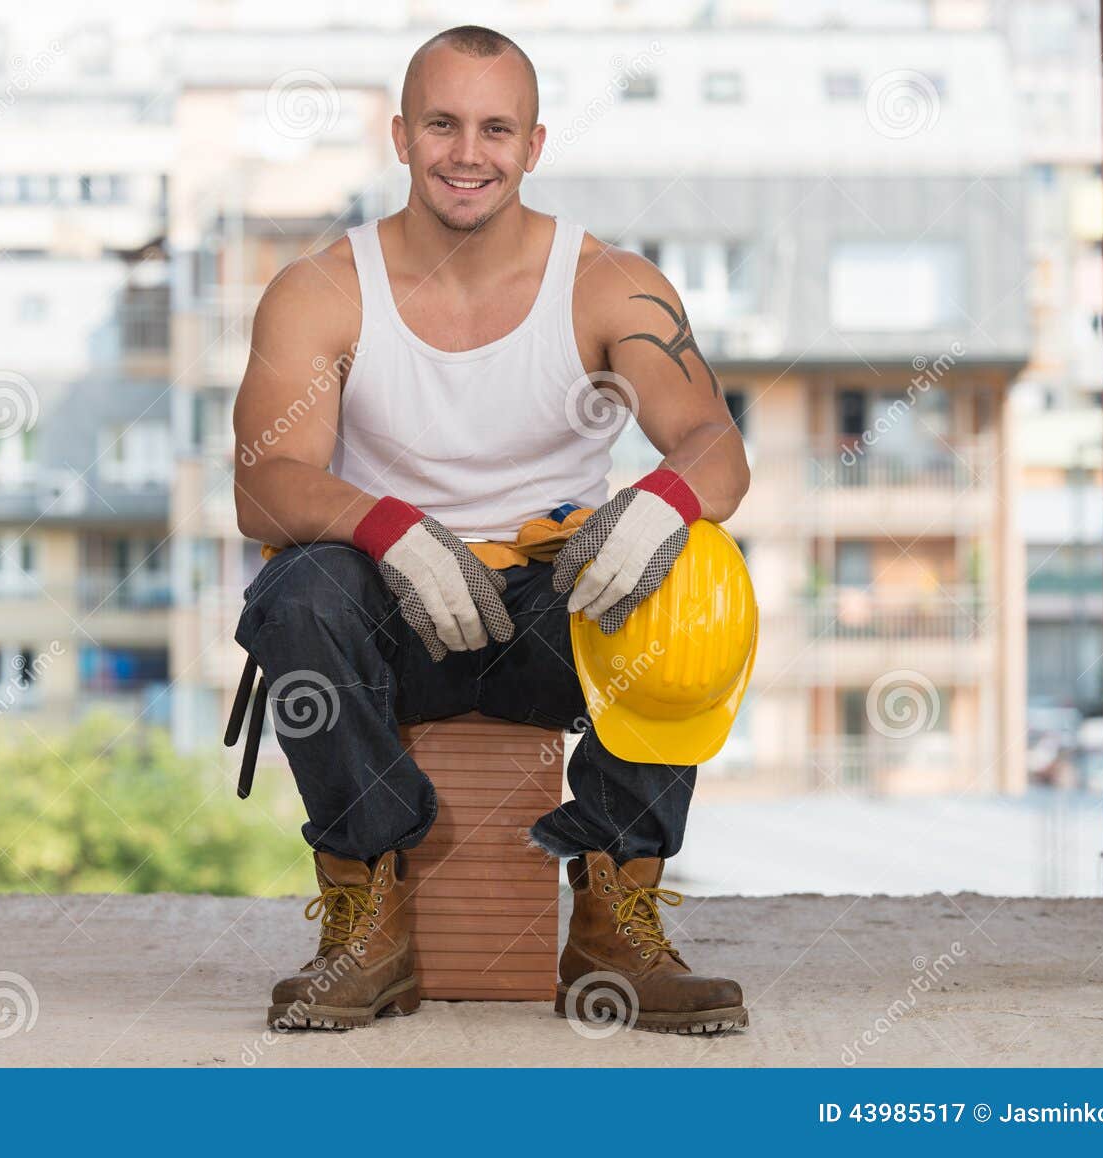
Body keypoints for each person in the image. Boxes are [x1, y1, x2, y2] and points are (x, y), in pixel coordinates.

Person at [232, 25, 751, 1035]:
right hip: (385, 617)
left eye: (494, 128)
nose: (467, 152)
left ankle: (614, 917)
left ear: (534, 144)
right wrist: (387, 527)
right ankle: (366, 923)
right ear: (400, 134)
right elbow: (264, 487)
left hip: (554, 611)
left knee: (698, 568)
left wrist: (661, 503)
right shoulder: (322, 289)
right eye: (442, 124)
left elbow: (714, 444)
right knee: (294, 592)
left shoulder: (609, 283)